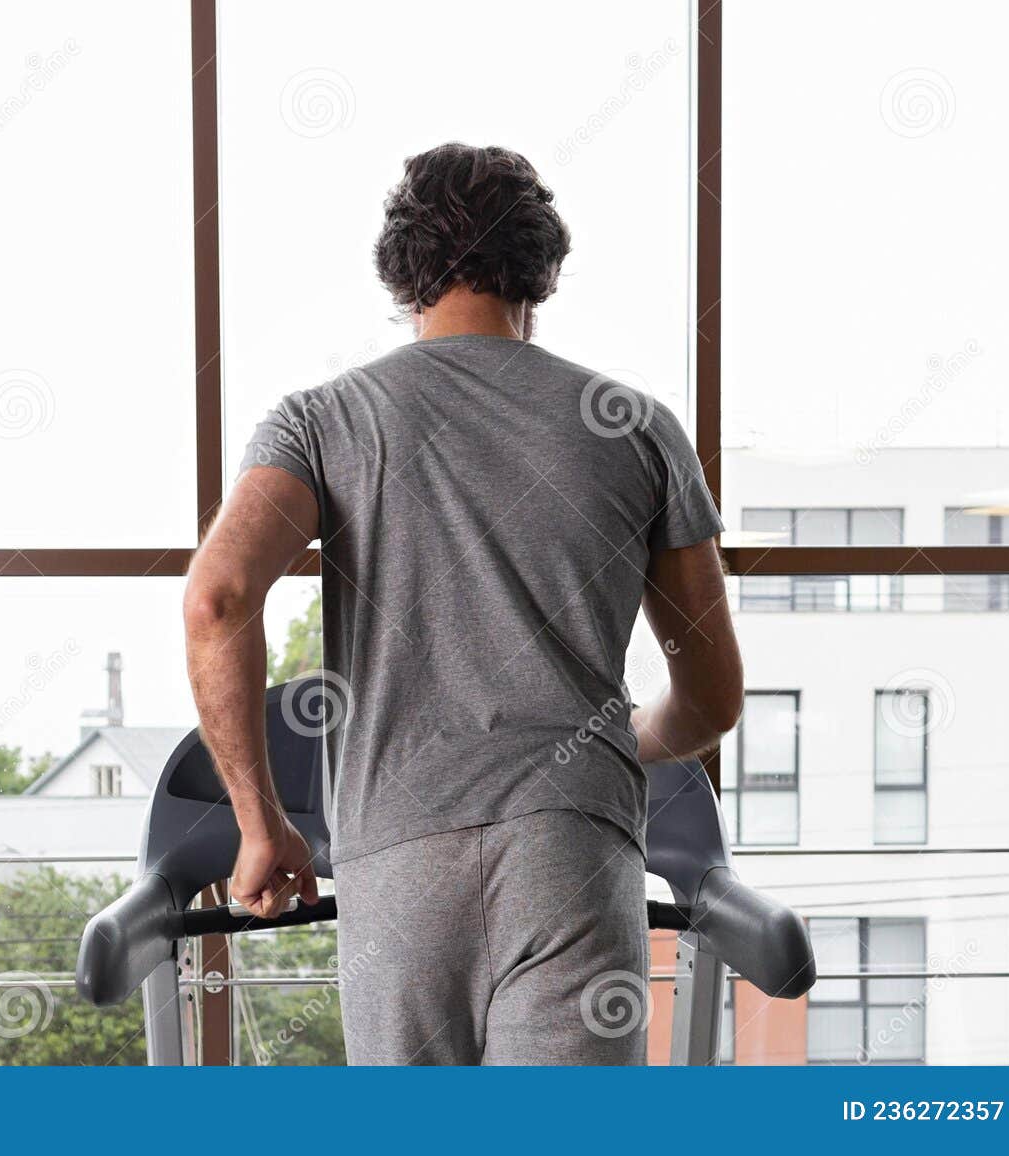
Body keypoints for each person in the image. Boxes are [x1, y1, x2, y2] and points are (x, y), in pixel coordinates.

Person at [183, 142, 743, 1064]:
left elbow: (219, 599)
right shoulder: (637, 427)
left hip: (400, 854)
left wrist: (260, 822)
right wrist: (603, 741)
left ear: (401, 273)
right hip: (572, 847)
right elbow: (713, 701)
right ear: (546, 266)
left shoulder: (321, 421)